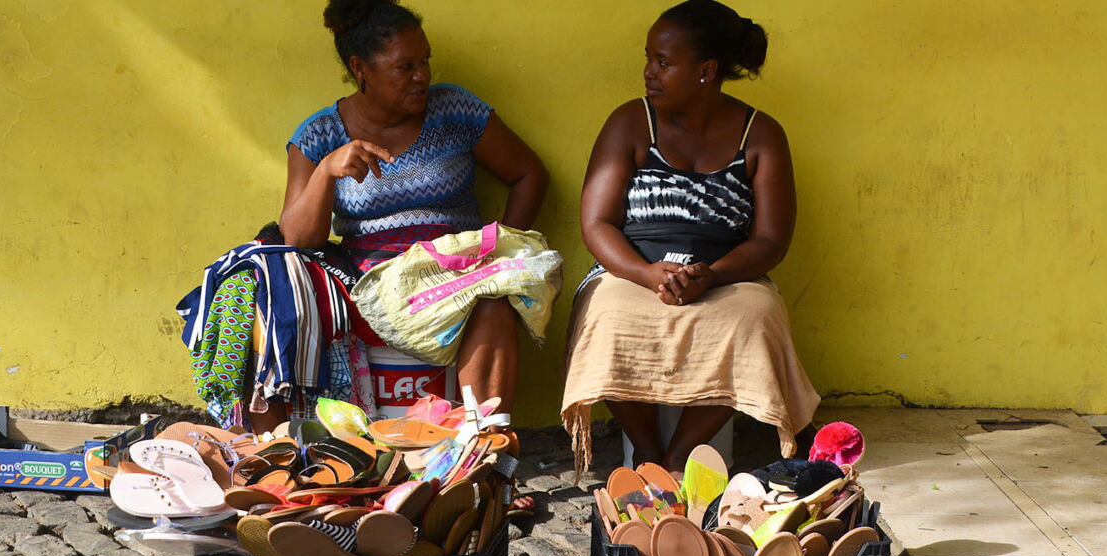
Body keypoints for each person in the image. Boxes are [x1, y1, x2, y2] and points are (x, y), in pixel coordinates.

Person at [562, 0, 820, 476]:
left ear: (706, 71)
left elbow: (770, 240)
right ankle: (645, 451)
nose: (648, 72)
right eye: (648, 58)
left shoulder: (760, 135)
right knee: (607, 313)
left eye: (663, 62)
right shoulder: (630, 122)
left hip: (726, 275)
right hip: (632, 270)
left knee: (756, 317)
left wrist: (712, 275)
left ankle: (681, 454)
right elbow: (597, 223)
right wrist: (644, 272)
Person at [277, 0, 549, 433]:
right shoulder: (320, 134)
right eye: (405, 67)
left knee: (496, 297)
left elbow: (529, 173)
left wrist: (500, 239)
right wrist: (327, 171)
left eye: (425, 61)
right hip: (368, 276)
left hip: (455, 267)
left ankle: (484, 451)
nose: (422, 75)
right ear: (359, 67)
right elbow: (295, 238)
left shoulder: (455, 111)